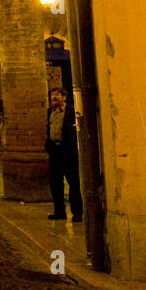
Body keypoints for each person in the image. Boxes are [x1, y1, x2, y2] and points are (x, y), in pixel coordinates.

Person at [45, 87, 82, 222]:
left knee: (73, 182)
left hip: (68, 151)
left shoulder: (71, 111)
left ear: (64, 97)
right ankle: (59, 211)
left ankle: (77, 212)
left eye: (57, 95)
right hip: (55, 151)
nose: (54, 97)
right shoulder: (50, 111)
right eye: (52, 95)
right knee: (55, 183)